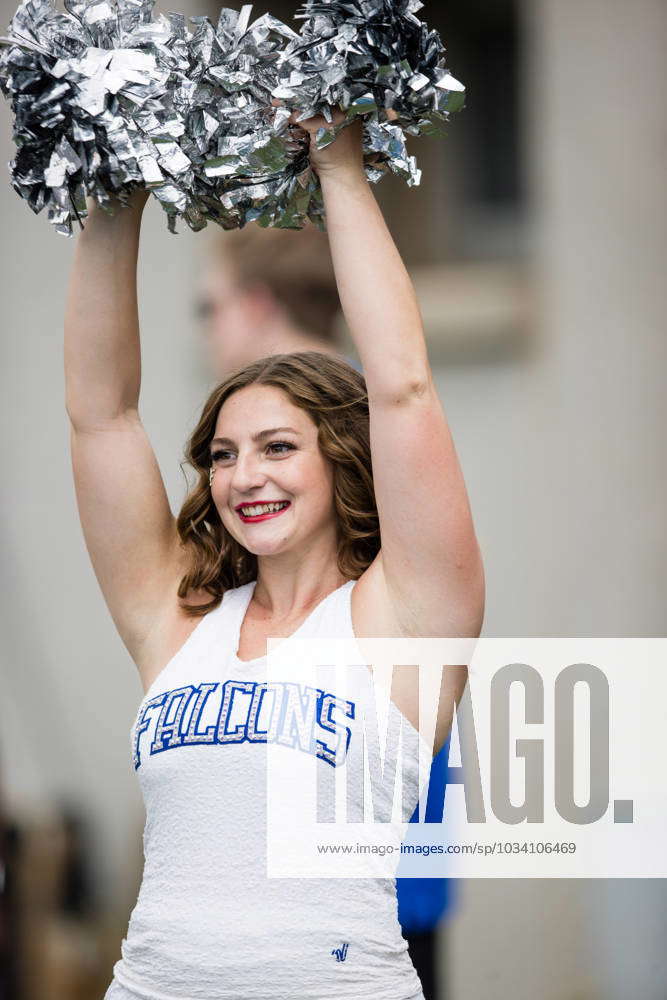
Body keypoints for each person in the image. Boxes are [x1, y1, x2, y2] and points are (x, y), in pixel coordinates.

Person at [64, 107, 484, 1000]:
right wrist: (112, 187)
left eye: (277, 447)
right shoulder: (175, 620)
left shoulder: (404, 618)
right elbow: (101, 414)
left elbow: (403, 388)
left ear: (340, 456)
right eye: (222, 453)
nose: (242, 475)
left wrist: (338, 166)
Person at [197, 222, 459, 1000]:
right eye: (225, 456)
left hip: (356, 851)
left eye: (206, 308)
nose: (246, 473)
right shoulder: (265, 446)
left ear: (252, 305)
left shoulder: (360, 421)